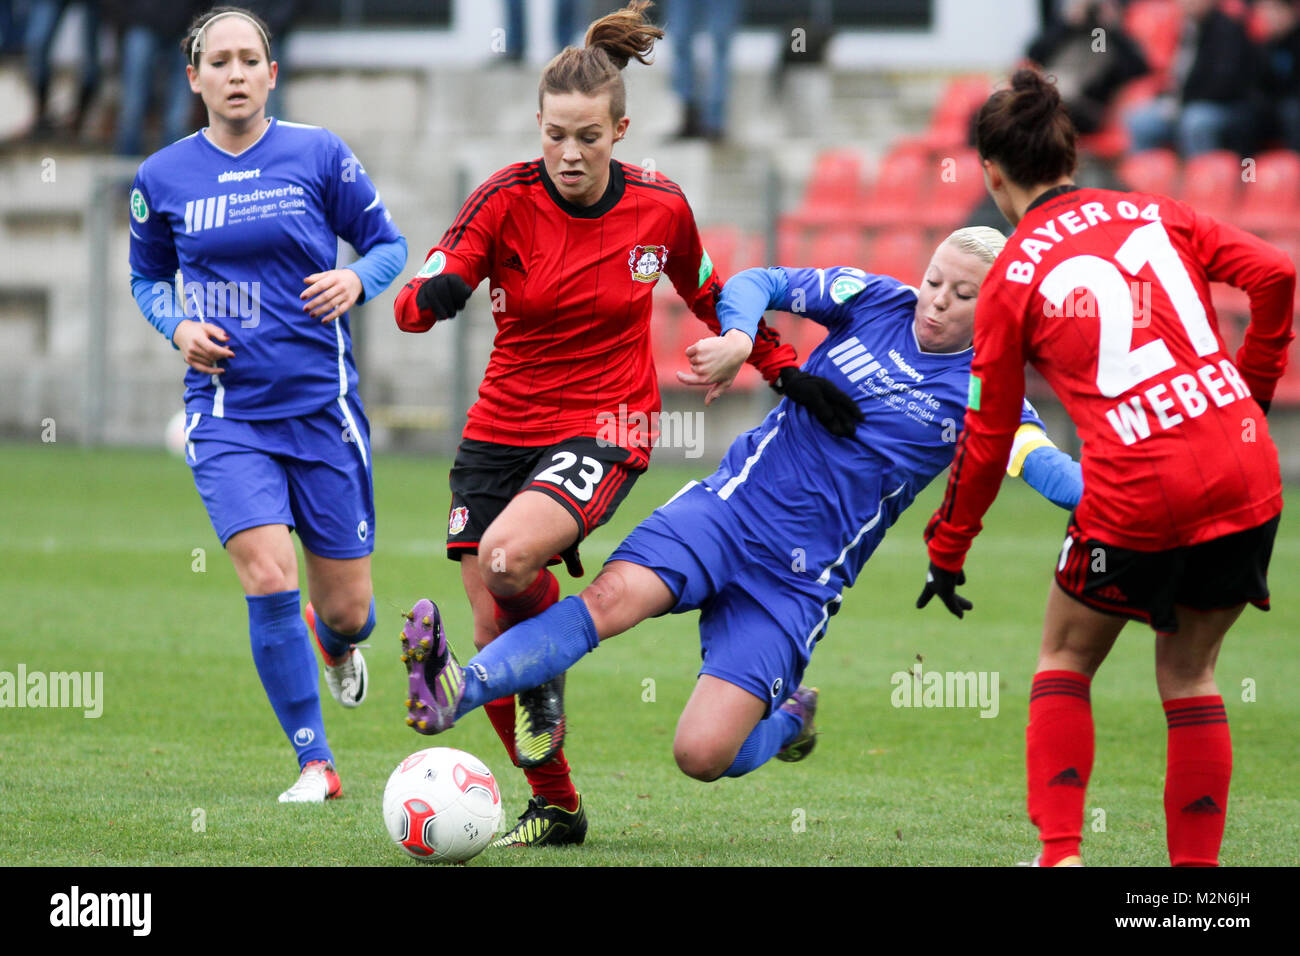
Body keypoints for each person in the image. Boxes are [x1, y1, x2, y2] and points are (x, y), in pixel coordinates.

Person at [396, 227, 1083, 799]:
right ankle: (458, 688)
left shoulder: (984, 392)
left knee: (700, 755)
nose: (935, 301)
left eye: (962, 295)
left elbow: (1047, 468)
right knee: (609, 598)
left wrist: (1132, 495)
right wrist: (738, 336)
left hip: (797, 583)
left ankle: (788, 719)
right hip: (726, 513)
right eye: (934, 279)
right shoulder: (875, 299)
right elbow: (759, 281)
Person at [393, 0, 853, 848]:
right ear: (537, 124)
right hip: (501, 425)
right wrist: (435, 293)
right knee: (495, 623)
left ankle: (541, 662)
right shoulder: (499, 201)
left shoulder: (658, 208)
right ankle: (559, 807)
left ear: (621, 128)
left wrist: (787, 371)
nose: (570, 154)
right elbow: (412, 305)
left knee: (507, 560)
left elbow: (716, 295)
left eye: (589, 137)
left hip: (608, 421)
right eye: (556, 135)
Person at [919, 69, 1294, 867]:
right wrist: (1248, 394)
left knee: (1066, 657)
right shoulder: (1156, 211)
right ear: (1071, 154)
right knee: (1191, 677)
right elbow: (1278, 274)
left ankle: (1060, 857)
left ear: (991, 172)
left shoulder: (1013, 276)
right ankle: (1195, 895)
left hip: (1139, 487)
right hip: (1247, 471)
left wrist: (948, 546)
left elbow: (988, 439)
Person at [127, 5, 408, 802]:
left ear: (272, 73)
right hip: (227, 415)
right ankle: (315, 763)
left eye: (251, 59)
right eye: (220, 61)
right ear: (196, 79)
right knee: (265, 574)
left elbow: (390, 244)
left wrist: (358, 279)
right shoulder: (162, 176)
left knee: (350, 611)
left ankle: (337, 642)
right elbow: (148, 279)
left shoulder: (318, 154)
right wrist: (177, 324)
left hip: (323, 410)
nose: (237, 72)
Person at [1125, 0, 1258, 157]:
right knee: (1140, 120)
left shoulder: (1228, 29)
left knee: (1195, 121)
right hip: (1186, 102)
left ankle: (1203, 177)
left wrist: (1182, 102)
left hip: (1226, 106)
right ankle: (1147, 177)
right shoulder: (1186, 28)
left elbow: (1224, 83)